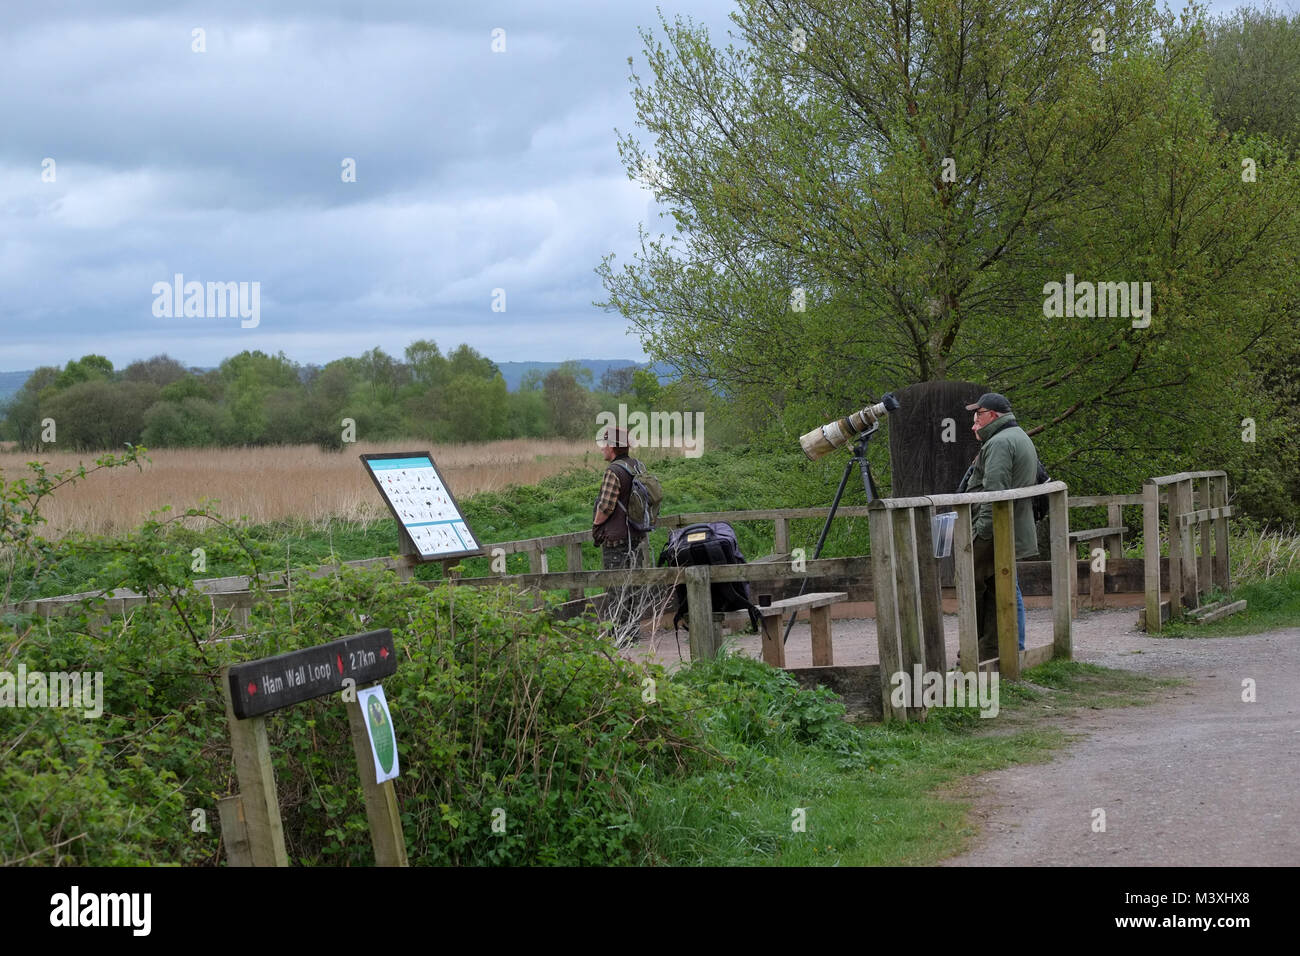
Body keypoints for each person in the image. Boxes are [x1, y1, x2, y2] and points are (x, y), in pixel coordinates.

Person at [963, 392, 1038, 661]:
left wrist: (981, 532)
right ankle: (997, 648)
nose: (974, 422)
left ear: (992, 416)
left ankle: (986, 649)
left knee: (972, 585)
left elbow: (994, 492)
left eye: (978, 415)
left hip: (994, 530)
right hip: (1006, 527)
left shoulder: (1000, 443)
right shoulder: (1016, 437)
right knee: (1000, 588)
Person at [592, 425, 647, 647]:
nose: (602, 449)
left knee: (616, 591)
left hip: (616, 540)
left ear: (613, 447)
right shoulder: (636, 466)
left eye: (604, 444)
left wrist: (596, 526)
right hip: (636, 536)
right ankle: (632, 635)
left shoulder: (613, 471)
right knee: (632, 588)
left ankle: (620, 640)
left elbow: (605, 506)